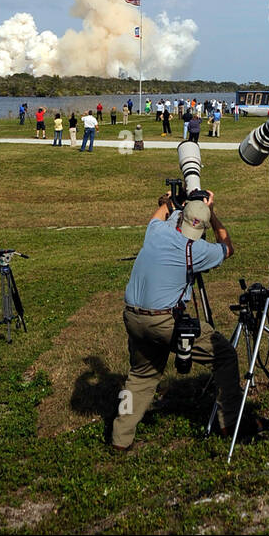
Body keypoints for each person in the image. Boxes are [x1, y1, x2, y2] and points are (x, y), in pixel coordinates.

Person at [111, 189, 242, 449]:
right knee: (225, 355)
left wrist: (168, 200)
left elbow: (158, 215)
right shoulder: (195, 250)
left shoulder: (156, 232)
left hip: (132, 315)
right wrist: (212, 215)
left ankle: (120, 438)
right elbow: (228, 247)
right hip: (164, 321)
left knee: (140, 375)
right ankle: (231, 422)